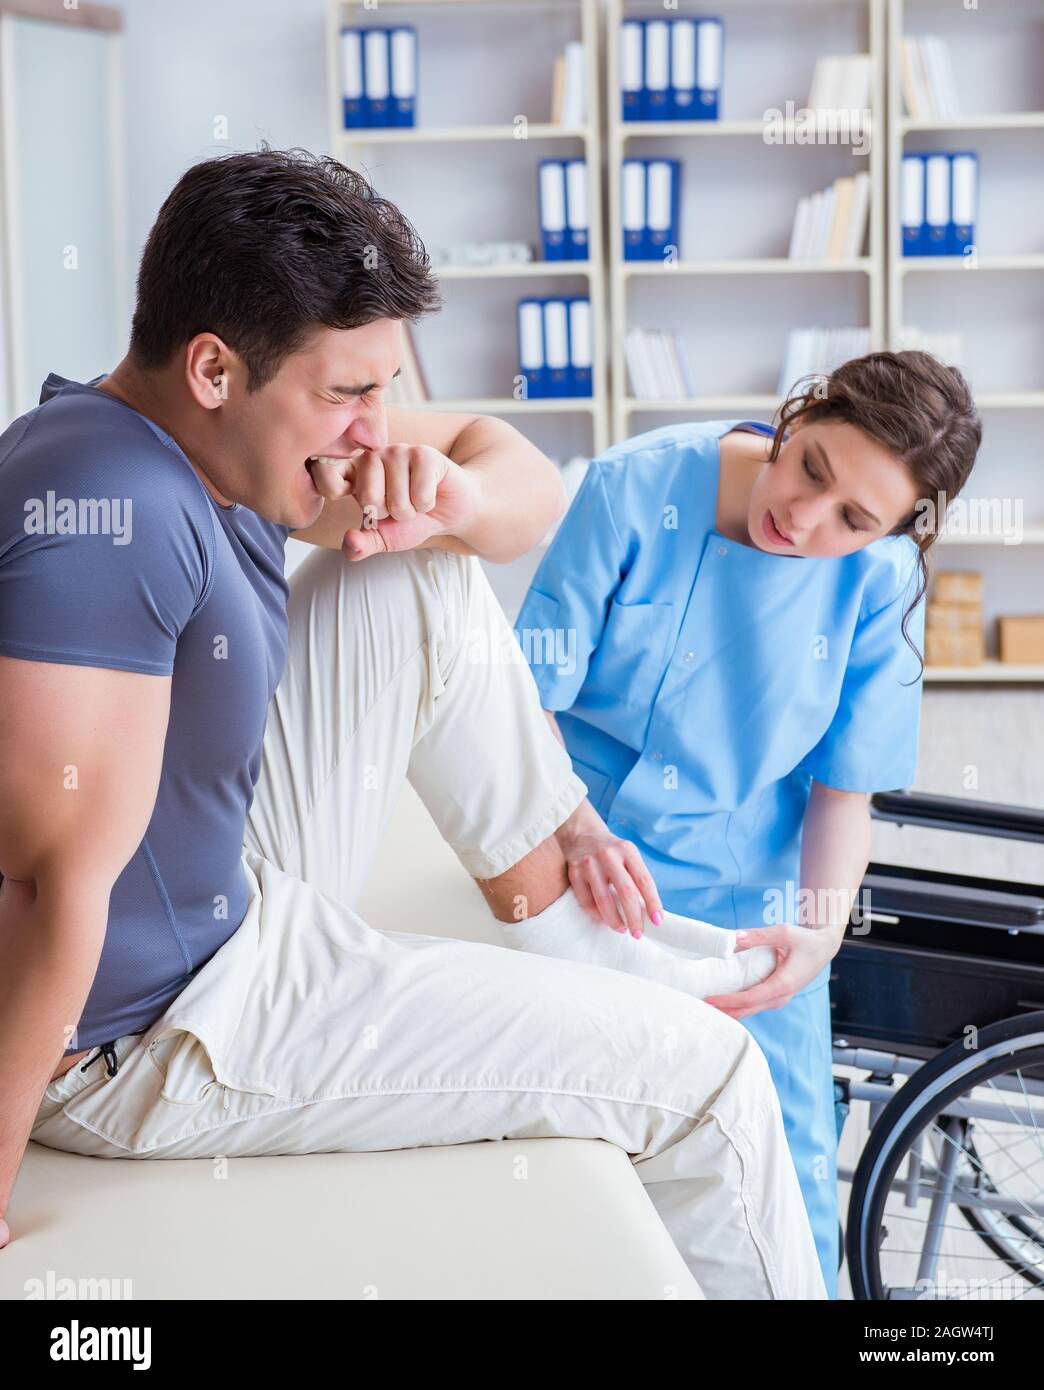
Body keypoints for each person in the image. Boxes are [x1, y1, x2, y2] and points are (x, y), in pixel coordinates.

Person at [0, 147, 827, 1299]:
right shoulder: (115, 517)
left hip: (219, 891)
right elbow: (43, 886)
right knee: (716, 1074)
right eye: (349, 395)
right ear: (212, 367)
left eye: (387, 386)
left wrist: (455, 501)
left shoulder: (200, 440)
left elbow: (523, 477)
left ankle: (567, 912)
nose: (377, 428)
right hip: (160, 1037)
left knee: (415, 570)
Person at [507, 354, 983, 1295]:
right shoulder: (635, 488)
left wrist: (818, 934)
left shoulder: (878, 581)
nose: (805, 521)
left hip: (747, 901)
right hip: (579, 863)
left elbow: (845, 788)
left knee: (776, 1189)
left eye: (856, 519)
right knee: (582, 1168)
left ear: (895, 533)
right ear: (798, 415)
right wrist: (571, 831)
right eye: (811, 468)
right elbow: (525, 710)